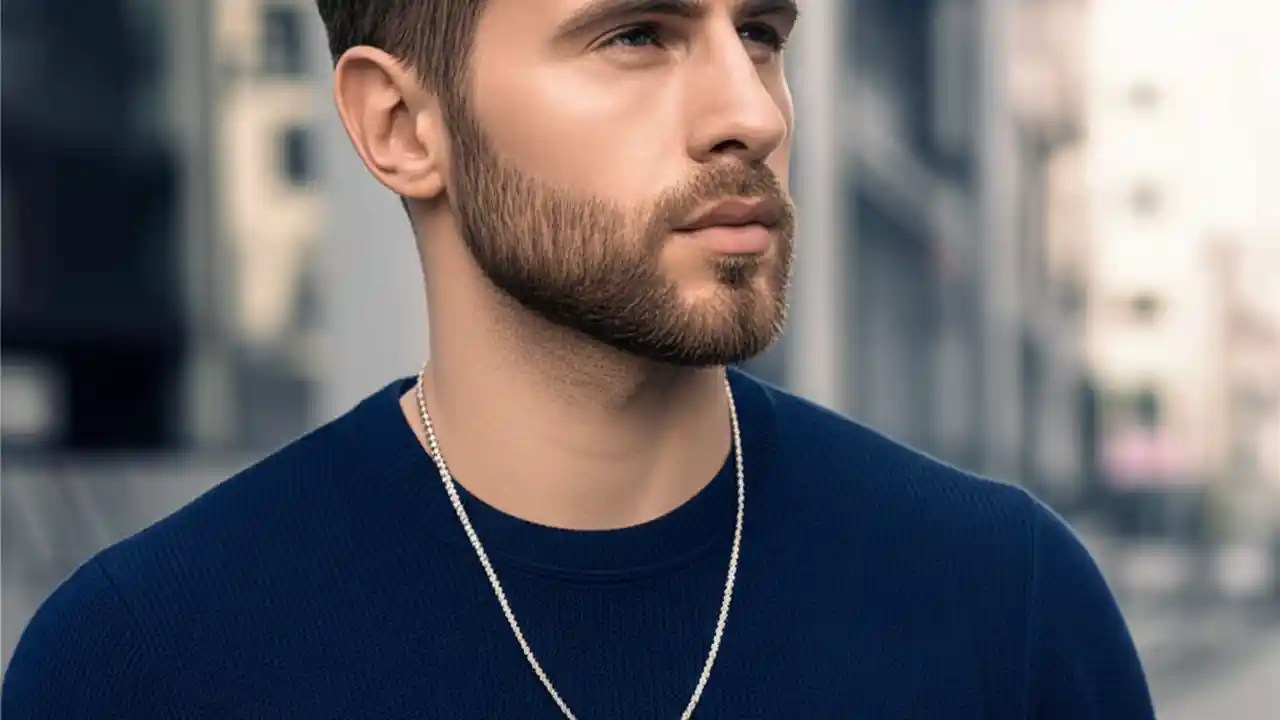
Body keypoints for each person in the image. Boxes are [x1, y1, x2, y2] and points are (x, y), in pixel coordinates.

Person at [2, 0, 1156, 717]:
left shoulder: (1006, 608)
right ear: (403, 126)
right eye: (635, 34)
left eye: (757, 31)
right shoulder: (145, 663)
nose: (748, 111)